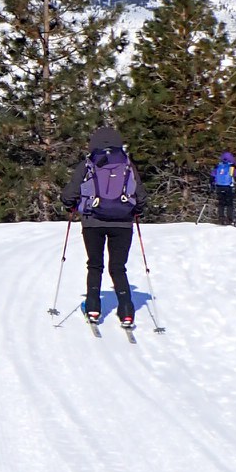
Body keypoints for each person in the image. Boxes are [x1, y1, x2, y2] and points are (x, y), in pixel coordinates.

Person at [62, 124, 146, 327]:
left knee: (95, 264)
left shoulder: (88, 163)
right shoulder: (127, 164)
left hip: (93, 222)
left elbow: (69, 195)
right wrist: (135, 210)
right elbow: (141, 198)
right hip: (123, 223)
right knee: (118, 267)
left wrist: (72, 205)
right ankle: (126, 309)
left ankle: (92, 307)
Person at [211, 151, 236, 225]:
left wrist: (212, 185)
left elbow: (212, 176)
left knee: (221, 203)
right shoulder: (232, 167)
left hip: (219, 187)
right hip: (228, 187)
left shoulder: (218, 166)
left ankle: (221, 218)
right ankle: (229, 219)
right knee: (229, 203)